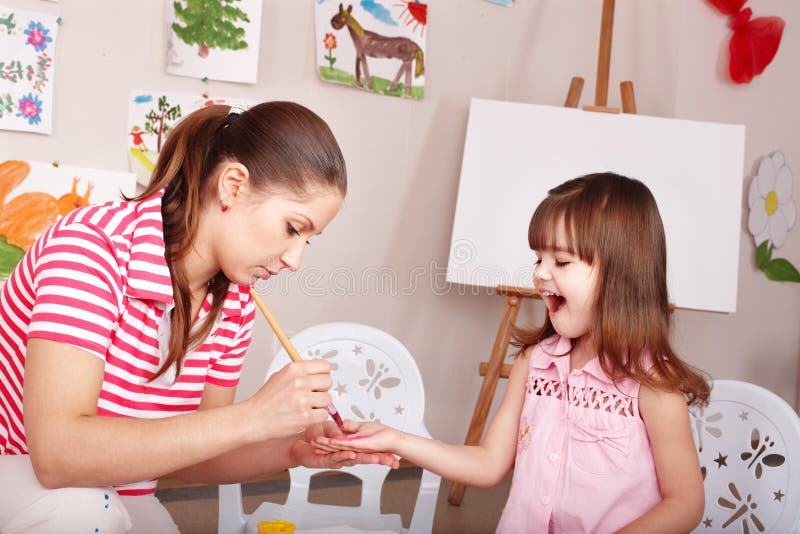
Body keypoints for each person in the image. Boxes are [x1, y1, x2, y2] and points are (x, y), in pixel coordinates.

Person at [0, 102, 397, 533]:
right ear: (233, 186)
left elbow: (200, 452)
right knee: (90, 513)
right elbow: (59, 457)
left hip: (111, 494)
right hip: (30, 479)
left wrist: (293, 450)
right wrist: (252, 416)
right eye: (291, 228)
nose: (294, 259)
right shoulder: (90, 250)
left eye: (309, 240)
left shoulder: (237, 302)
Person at [318, 173, 710, 533]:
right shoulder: (533, 364)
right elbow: (489, 463)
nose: (540, 273)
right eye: (538, 258)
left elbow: (685, 502)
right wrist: (398, 440)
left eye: (561, 261)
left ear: (621, 275)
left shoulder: (653, 385)